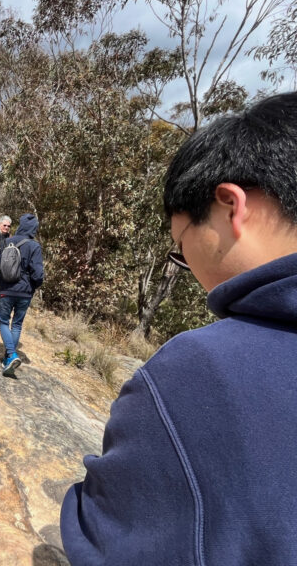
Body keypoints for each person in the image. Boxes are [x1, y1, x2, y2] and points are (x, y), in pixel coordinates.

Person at [60, 92, 297, 565]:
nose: (185, 263)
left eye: (179, 245)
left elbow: (104, 536)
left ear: (232, 205)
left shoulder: (198, 371)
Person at [0, 213, 44, 376]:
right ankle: (8, 357)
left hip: (6, 289)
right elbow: (38, 274)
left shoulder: (8, 241)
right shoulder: (34, 246)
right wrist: (33, 287)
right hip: (25, 292)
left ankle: (11, 355)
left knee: (3, 321)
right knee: (16, 324)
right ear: (34, 229)